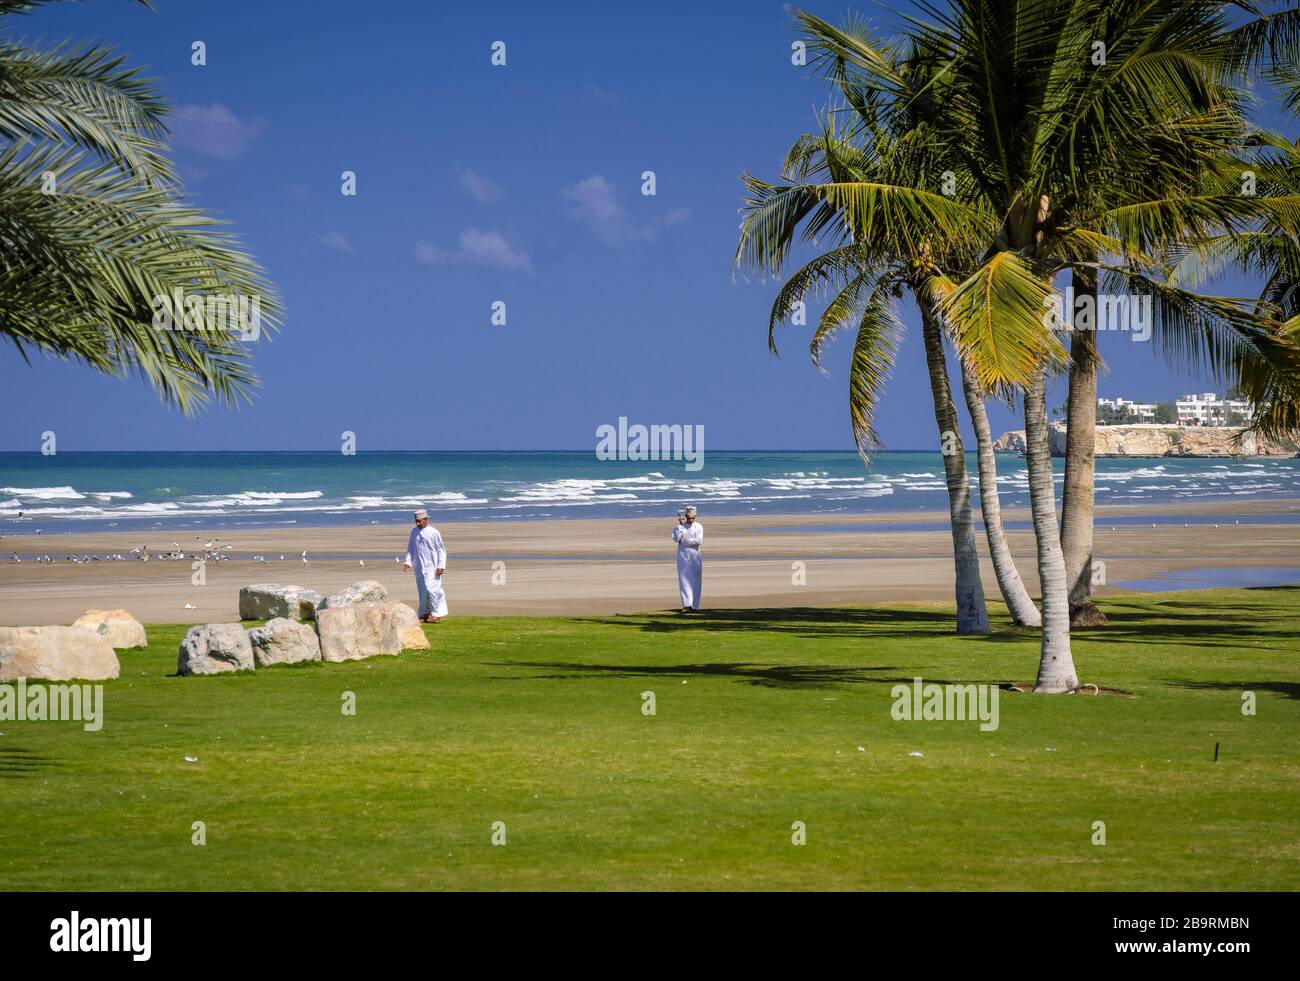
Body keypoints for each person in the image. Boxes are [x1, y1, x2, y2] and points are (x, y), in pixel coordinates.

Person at [402, 508, 447, 623]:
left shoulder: (434, 532)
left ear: (426, 519)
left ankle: (436, 613)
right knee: (422, 591)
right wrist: (408, 562)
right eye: (416, 521)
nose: (417, 523)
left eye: (419, 521)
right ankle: (423, 613)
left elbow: (441, 550)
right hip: (419, 567)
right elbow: (411, 548)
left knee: (432, 590)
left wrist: (441, 565)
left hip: (433, 566)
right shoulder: (414, 532)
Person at [671, 505, 703, 613]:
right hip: (683, 557)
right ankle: (687, 604)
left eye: (693, 518)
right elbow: (677, 539)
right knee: (684, 580)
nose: (691, 520)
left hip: (695, 557)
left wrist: (685, 542)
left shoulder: (698, 527)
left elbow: (698, 541)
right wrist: (681, 526)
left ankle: (695, 605)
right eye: (689, 518)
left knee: (696, 580)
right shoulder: (679, 527)